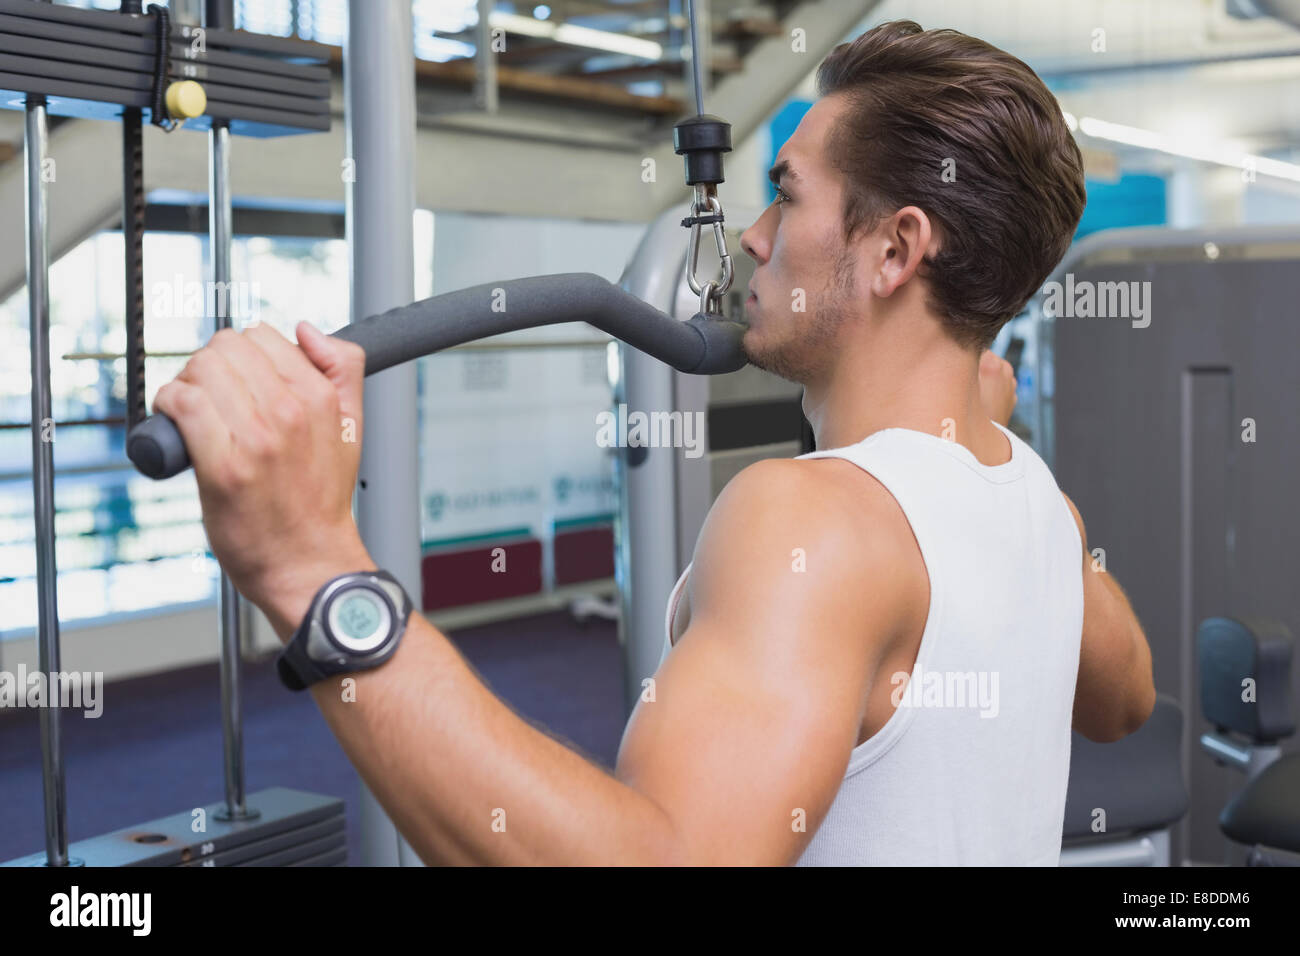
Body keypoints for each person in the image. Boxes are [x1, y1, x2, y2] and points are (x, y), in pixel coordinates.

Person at [153, 20, 1155, 865]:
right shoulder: (1032, 494)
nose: (755, 234)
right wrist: (983, 425)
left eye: (788, 192)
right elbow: (1125, 696)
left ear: (893, 250)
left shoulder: (816, 518)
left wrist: (314, 567)